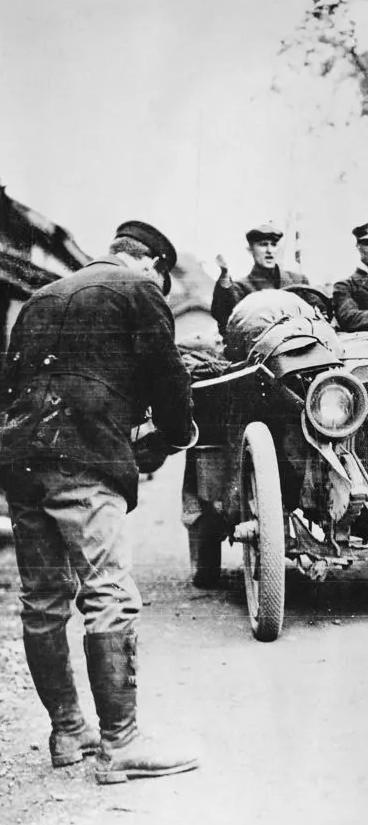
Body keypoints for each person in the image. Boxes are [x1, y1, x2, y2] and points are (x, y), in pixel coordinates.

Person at [0, 221, 199, 783]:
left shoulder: (39, 299)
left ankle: (68, 731)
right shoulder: (140, 292)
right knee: (109, 592)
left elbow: (7, 384)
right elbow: (168, 378)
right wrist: (178, 432)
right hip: (82, 459)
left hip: (19, 459)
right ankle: (121, 744)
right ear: (154, 265)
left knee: (43, 600)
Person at [210, 223, 308, 333]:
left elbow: (320, 315)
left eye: (274, 244)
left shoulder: (298, 281)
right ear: (250, 250)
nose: (269, 250)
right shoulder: (242, 287)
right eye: (263, 244)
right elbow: (224, 317)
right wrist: (224, 276)